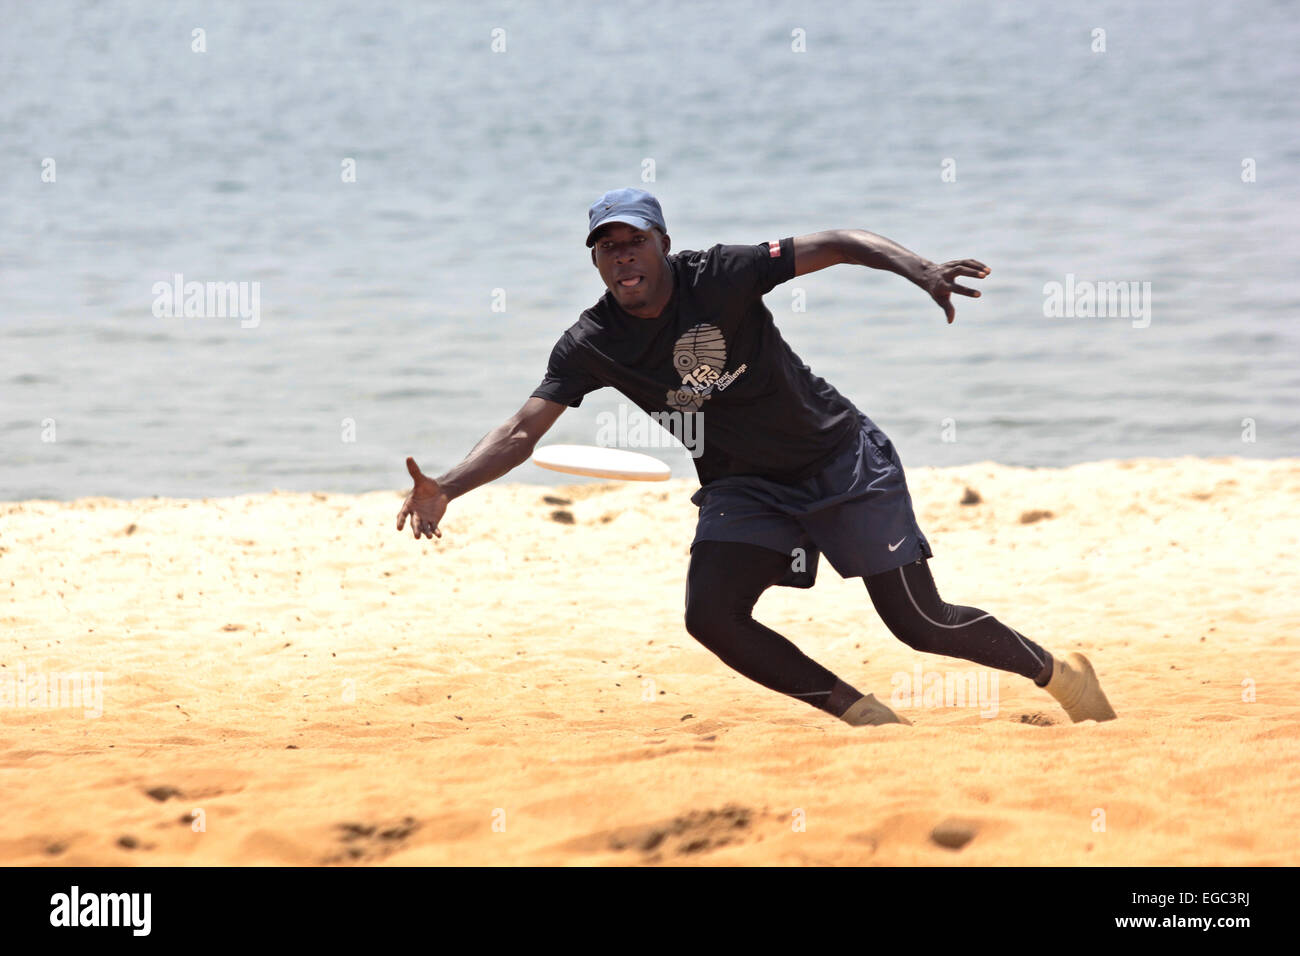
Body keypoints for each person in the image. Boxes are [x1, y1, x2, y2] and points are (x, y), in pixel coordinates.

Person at [396, 187, 1117, 727]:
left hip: (837, 460)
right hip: (745, 486)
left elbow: (835, 241)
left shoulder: (723, 274)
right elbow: (525, 429)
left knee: (919, 623)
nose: (621, 255)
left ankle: (1060, 675)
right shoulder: (593, 341)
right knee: (711, 615)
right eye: (605, 247)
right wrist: (449, 486)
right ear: (596, 261)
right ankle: (866, 718)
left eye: (633, 241)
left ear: (661, 244)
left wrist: (917, 268)